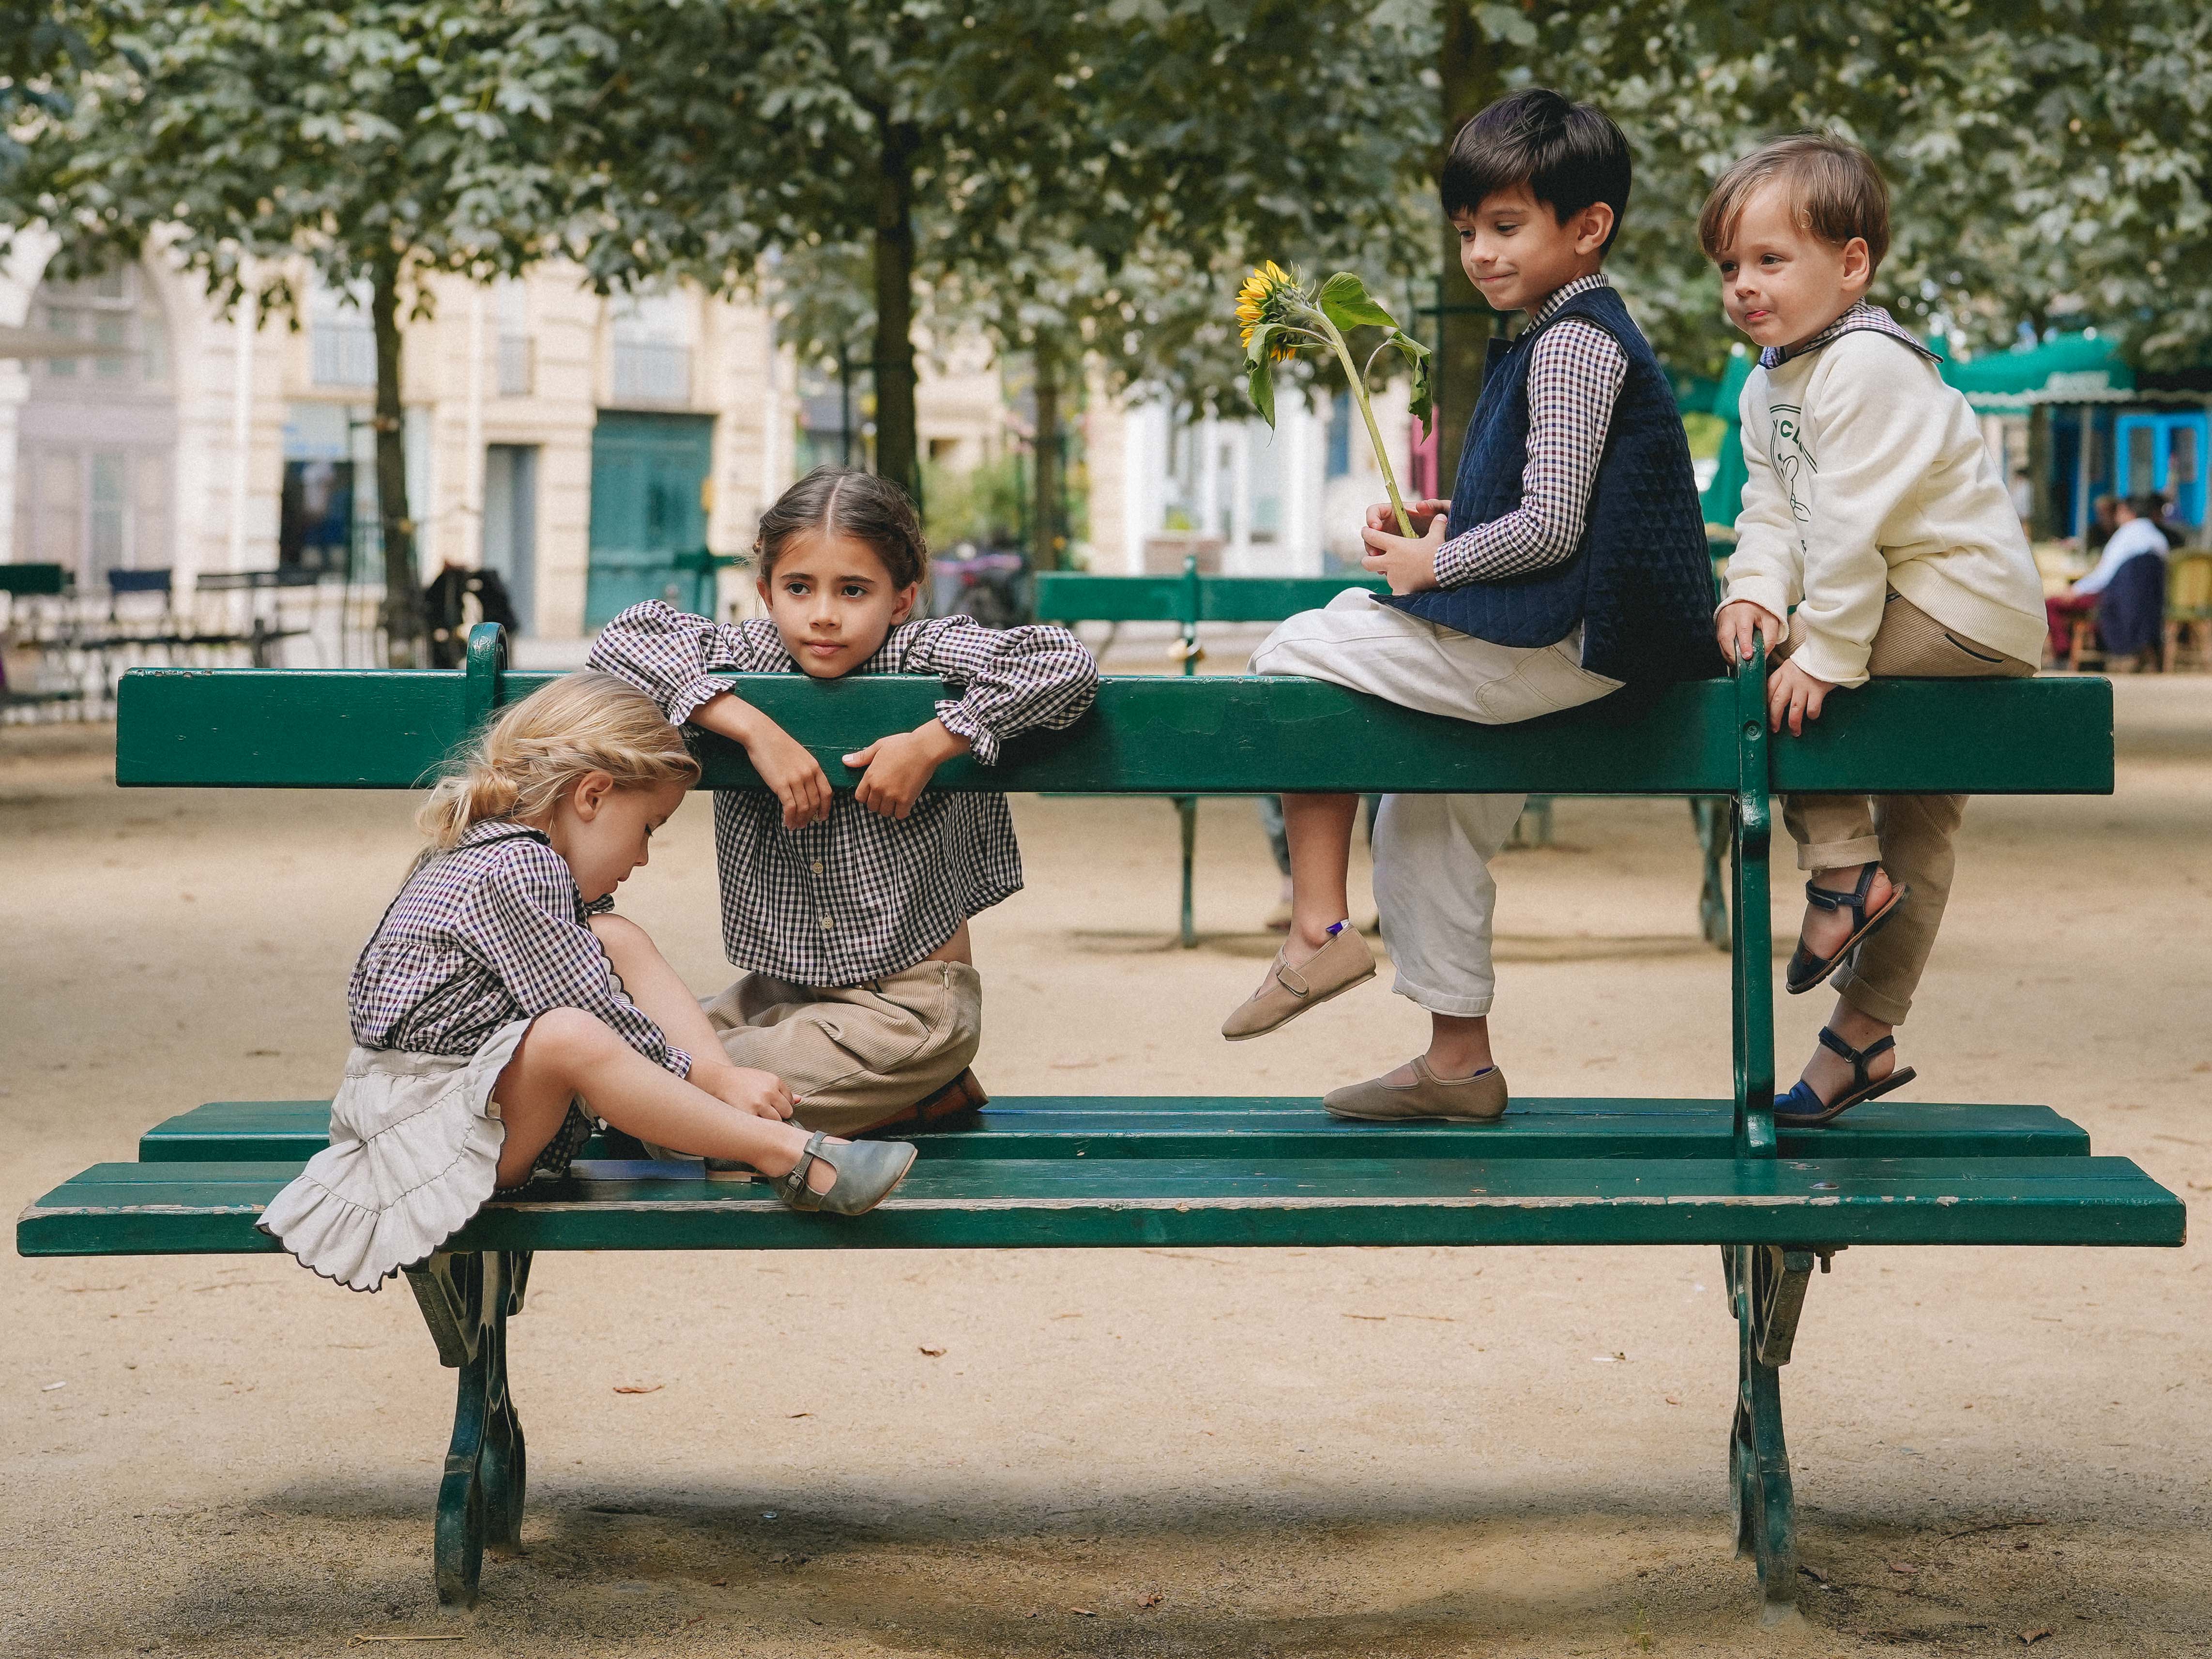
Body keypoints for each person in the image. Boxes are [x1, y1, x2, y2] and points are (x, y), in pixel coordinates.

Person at [1220, 87, 1716, 1123]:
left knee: (1294, 652)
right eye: (1466, 232)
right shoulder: (1554, 330)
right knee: (1421, 815)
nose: (1480, 253)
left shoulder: (1576, 342)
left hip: (1573, 639)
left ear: (1587, 230)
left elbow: (1548, 530)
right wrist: (1453, 530)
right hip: (1577, 638)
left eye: (1505, 227)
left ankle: (1315, 930)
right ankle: (1457, 1065)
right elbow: (1542, 506)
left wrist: (1430, 571)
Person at [259, 672, 917, 1292]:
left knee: (615, 936)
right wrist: (677, 1067)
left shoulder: (494, 851)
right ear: (593, 794)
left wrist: (708, 1074)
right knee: (570, 1032)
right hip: (437, 1134)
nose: (642, 855)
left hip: (471, 1107)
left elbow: (594, 973)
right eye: (647, 827)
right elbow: (594, 1012)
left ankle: (725, 1102)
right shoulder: (517, 869)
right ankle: (789, 1153)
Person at [589, 467, 1098, 1138]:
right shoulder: (746, 659)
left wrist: (932, 741)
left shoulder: (921, 653)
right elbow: (620, 641)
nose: (823, 612)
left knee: (654, 1089)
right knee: (621, 1050)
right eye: (799, 588)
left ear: (901, 597)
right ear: (766, 592)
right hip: (780, 997)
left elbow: (1063, 661)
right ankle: (903, 1099)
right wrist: (751, 727)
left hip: (908, 1012)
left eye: (853, 590)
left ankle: (903, 1085)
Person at [1706, 133, 2048, 1126]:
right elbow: (1771, 513)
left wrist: (1819, 649)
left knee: (1773, 687)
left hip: (1951, 608)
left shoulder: (1865, 364)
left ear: (1851, 264)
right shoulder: (1771, 381)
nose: (1743, 285)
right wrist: (1754, 595)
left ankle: (1843, 865)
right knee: (1925, 834)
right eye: (1729, 266)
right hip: (1937, 614)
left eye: (1770, 260)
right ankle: (1861, 1040)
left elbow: (1848, 527)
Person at [2046, 492, 2170, 665]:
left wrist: (2075, 590)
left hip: (2114, 599)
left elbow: (2103, 576)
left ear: (2129, 513)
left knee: (2051, 604)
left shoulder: (2125, 535)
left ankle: (2063, 656)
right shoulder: (2159, 540)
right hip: (2146, 607)